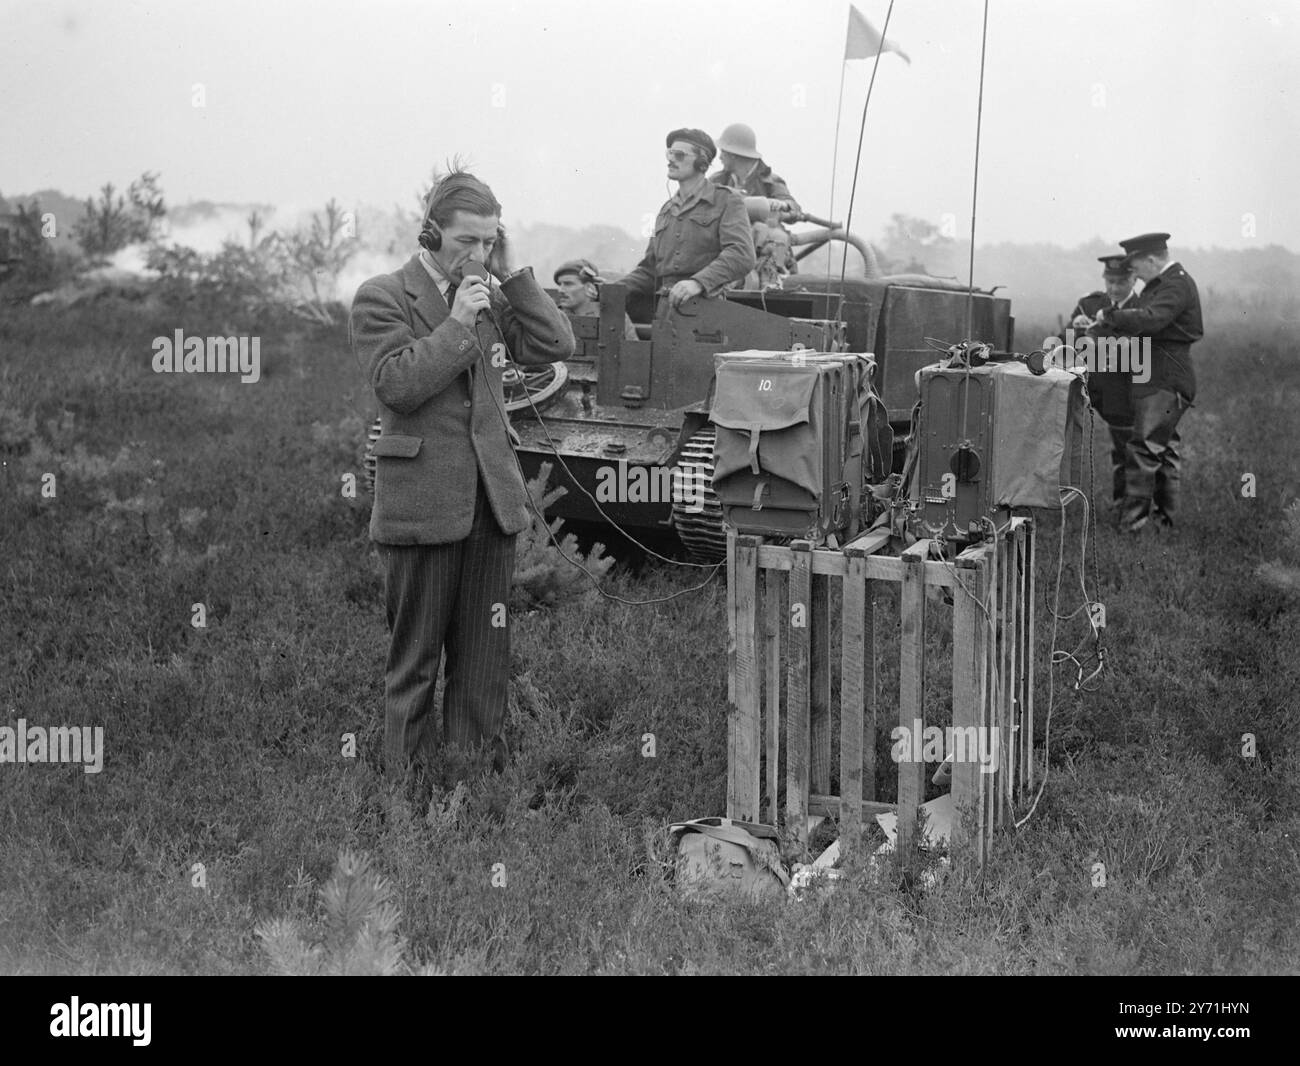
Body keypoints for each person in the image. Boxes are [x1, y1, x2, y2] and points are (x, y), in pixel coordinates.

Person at [350, 168, 575, 782]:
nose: (476, 254)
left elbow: (556, 342)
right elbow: (398, 384)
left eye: (489, 241)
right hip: (422, 507)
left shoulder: (488, 295)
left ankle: (475, 795)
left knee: (482, 664)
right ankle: (409, 802)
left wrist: (510, 275)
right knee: (416, 664)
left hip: (489, 506)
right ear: (429, 233)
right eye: (466, 241)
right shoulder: (383, 296)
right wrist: (454, 323)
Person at [1095, 232, 1203, 532]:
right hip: (1160, 376)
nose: (1136, 274)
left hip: (1166, 378)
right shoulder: (1163, 284)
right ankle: (1164, 523)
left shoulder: (1175, 284)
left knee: (1143, 449)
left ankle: (1132, 527)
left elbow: (1152, 319)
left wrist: (1112, 316)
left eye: (1137, 266)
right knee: (1163, 449)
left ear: (1153, 259)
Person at [619, 128, 756, 310]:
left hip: (708, 311)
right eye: (670, 153)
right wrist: (608, 289)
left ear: (702, 163)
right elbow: (650, 270)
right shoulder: (666, 211)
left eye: (680, 155)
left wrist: (698, 283)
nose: (671, 160)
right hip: (667, 313)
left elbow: (742, 254)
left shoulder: (726, 201)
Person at [1065, 253, 1140, 503]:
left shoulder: (1143, 311)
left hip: (1122, 391)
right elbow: (1061, 345)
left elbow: (1140, 356)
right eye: (1109, 282)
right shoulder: (1090, 304)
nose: (1113, 288)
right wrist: (1075, 329)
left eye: (1120, 282)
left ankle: (1125, 507)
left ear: (1134, 279)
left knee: (1126, 450)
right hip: (1087, 386)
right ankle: (1055, 497)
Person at [710, 123, 801, 215]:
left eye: (723, 152)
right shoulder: (717, 181)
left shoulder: (770, 182)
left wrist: (783, 205)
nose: (720, 157)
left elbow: (793, 207)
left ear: (732, 154)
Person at [553, 258, 638, 340]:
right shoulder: (555, 316)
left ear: (589, 287)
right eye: (560, 284)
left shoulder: (614, 316)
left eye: (568, 284)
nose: (561, 290)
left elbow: (633, 350)